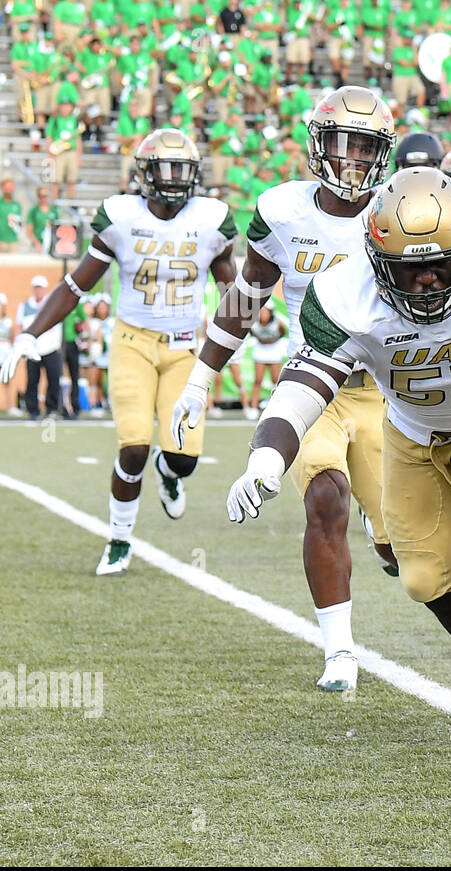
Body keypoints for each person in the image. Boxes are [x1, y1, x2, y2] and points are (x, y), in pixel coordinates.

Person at [225, 167, 451, 740]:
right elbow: (302, 386)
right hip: (412, 432)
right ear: (376, 260)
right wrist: (265, 458)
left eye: (442, 264)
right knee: (425, 578)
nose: (429, 283)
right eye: (410, 270)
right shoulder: (345, 294)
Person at [172, 87, 399, 694]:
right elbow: (246, 299)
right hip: (313, 382)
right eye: (341, 144)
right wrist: (200, 379)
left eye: (364, 146)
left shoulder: (397, 210)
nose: (351, 159)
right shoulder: (283, 212)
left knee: (402, 551)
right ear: (317, 145)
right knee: (325, 498)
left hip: (388, 390)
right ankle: (339, 651)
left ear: (385, 153)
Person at [1, 129, 237, 575]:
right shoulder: (121, 216)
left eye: (181, 170)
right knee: (133, 447)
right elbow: (77, 285)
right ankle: (119, 539)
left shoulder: (211, 219)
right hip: (132, 343)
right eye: (164, 169)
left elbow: (231, 284)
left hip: (187, 350)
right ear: (144, 174)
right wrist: (30, 333)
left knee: (183, 460)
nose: (173, 179)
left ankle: (167, 473)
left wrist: (234, 334)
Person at [16, 275, 61, 418]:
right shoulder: (24, 306)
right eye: (36, 288)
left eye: (41, 288)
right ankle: (33, 410)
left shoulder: (52, 304)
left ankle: (51, 409)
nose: (39, 291)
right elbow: (19, 327)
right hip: (32, 350)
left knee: (53, 379)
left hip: (51, 348)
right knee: (32, 380)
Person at [247, 305, 288, 404]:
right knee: (258, 380)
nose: (263, 315)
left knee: (276, 380)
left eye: (265, 312)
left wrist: (272, 341)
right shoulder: (253, 324)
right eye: (261, 312)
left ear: (270, 313)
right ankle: (253, 406)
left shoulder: (277, 324)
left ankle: (278, 404)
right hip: (261, 350)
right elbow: (252, 334)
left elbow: (283, 332)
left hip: (274, 350)